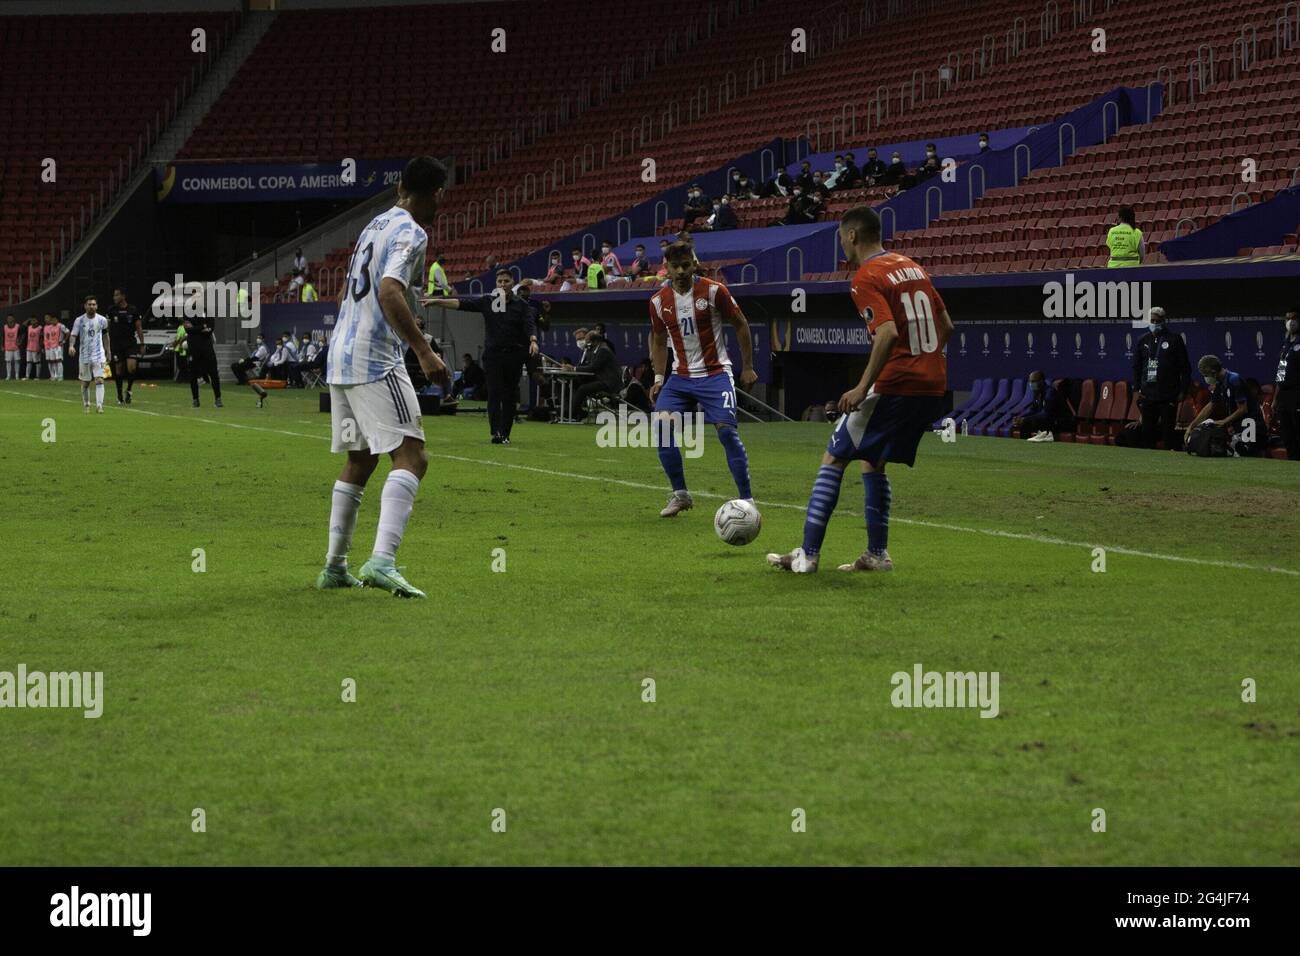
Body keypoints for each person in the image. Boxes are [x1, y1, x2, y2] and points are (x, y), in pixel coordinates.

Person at [767, 205, 953, 573]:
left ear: (851, 235)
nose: (842, 244)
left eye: (841, 237)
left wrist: (862, 385)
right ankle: (876, 554)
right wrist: (927, 361)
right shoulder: (912, 266)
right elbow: (946, 324)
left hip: (896, 383)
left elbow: (888, 333)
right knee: (872, 460)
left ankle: (807, 554)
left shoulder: (866, 276)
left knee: (834, 456)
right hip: (931, 384)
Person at [317, 155, 450, 597]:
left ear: (399, 188)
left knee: (360, 459)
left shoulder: (374, 225)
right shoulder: (412, 231)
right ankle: (382, 562)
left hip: (341, 355)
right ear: (435, 194)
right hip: (375, 359)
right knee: (413, 455)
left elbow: (345, 289)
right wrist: (424, 350)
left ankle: (335, 567)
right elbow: (389, 288)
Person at [648, 240, 758, 517]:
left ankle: (747, 500)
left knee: (726, 432)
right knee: (661, 427)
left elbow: (741, 323)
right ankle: (681, 495)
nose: (682, 271)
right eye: (676, 266)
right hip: (680, 377)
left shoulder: (713, 290)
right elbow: (659, 341)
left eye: (687, 265)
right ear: (667, 269)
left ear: (694, 263)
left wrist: (747, 367)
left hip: (716, 373)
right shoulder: (659, 301)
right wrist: (659, 378)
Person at [422, 268, 539, 444]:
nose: (503, 284)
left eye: (506, 281)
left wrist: (533, 340)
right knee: (494, 393)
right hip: (493, 356)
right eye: (500, 281)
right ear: (496, 284)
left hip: (514, 356)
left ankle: (505, 432)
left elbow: (530, 325)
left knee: (509, 395)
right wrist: (438, 301)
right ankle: (496, 432)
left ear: (512, 283)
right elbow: (462, 304)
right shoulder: (488, 301)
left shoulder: (522, 305)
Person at [1132, 306, 1191, 450]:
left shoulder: (1175, 339)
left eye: (1157, 321)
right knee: (1147, 434)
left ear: (1164, 321)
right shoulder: (1142, 340)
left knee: (1168, 434)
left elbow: (1186, 368)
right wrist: (1136, 388)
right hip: (1148, 394)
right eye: (1152, 320)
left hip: (1168, 395)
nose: (1154, 323)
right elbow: (1136, 367)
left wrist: (1182, 390)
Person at [1185, 355, 1264, 456]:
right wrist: (1192, 426)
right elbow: (1210, 406)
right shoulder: (1220, 383)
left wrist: (1224, 421)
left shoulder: (1234, 379)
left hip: (1251, 425)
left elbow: (1243, 409)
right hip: (1239, 427)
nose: (1205, 378)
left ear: (1213, 372)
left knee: (1246, 458)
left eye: (1205, 375)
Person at [69, 296, 110, 413]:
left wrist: (108, 351)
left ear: (96, 306)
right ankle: (86, 405)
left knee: (99, 380)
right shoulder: (79, 320)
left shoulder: (102, 320)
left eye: (93, 304)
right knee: (86, 383)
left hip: (99, 355)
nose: (91, 306)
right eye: (89, 304)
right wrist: (71, 346)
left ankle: (99, 406)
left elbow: (106, 336)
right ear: (85, 306)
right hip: (84, 355)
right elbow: (73, 335)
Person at [568, 330, 621, 420]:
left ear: (595, 342)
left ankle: (572, 414)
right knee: (575, 383)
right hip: (602, 379)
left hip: (609, 382)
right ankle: (574, 412)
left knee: (582, 389)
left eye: (588, 342)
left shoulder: (603, 350)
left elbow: (593, 367)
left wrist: (573, 369)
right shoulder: (596, 349)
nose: (587, 345)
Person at [182, 301, 222, 408]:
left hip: (207, 348)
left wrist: (196, 328)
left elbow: (210, 329)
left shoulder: (207, 313)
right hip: (193, 348)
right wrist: (202, 327)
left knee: (213, 373)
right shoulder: (187, 314)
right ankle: (195, 399)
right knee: (193, 374)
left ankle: (218, 398)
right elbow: (188, 329)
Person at [107, 288, 143, 404]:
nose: (114, 298)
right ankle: (119, 395)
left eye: (116, 295)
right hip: (116, 343)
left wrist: (142, 343)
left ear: (123, 296)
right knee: (118, 371)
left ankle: (128, 390)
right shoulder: (111, 310)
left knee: (131, 367)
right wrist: (106, 344)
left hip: (130, 343)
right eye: (114, 295)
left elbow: (138, 327)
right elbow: (106, 328)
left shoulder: (132, 310)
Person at [1012, 371, 1070, 440]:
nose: (1031, 384)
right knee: (1025, 422)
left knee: (1029, 421)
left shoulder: (1050, 392)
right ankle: (1024, 445)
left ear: (1042, 381)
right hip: (1048, 421)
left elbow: (1046, 414)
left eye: (1034, 381)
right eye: (1030, 382)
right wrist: (1021, 418)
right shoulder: (1037, 393)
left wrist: (1025, 419)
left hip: (1059, 422)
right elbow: (1033, 411)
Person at [1274, 306, 1300, 459]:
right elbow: (1281, 372)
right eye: (1288, 318)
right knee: (1287, 434)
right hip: (1284, 395)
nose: (1291, 321)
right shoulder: (1285, 344)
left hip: (1297, 394)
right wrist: (1276, 398)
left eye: (1294, 318)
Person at [231, 333, 271, 407]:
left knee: (238, 366)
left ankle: (243, 380)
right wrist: (245, 360)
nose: (258, 339)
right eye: (257, 337)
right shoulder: (259, 347)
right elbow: (252, 356)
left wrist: (245, 360)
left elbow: (255, 358)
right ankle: (243, 380)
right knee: (235, 365)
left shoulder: (263, 348)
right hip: (252, 362)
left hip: (256, 363)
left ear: (263, 339)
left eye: (260, 338)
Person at [42, 313, 67, 382]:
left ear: (57, 320)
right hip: (50, 346)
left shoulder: (60, 326)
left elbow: (68, 332)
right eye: (52, 320)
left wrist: (63, 341)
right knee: (52, 361)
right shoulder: (49, 327)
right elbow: (47, 336)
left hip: (58, 346)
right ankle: (54, 376)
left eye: (54, 320)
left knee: (58, 360)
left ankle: (60, 376)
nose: (53, 321)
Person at [3, 315, 20, 380]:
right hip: (8, 347)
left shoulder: (17, 326)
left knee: (17, 361)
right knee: (8, 361)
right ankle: (8, 375)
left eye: (11, 318)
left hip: (16, 347)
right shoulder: (5, 327)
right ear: (7, 319)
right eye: (8, 318)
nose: (10, 319)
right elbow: (3, 336)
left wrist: (19, 341)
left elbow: (21, 334)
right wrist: (2, 345)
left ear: (13, 319)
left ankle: (17, 375)